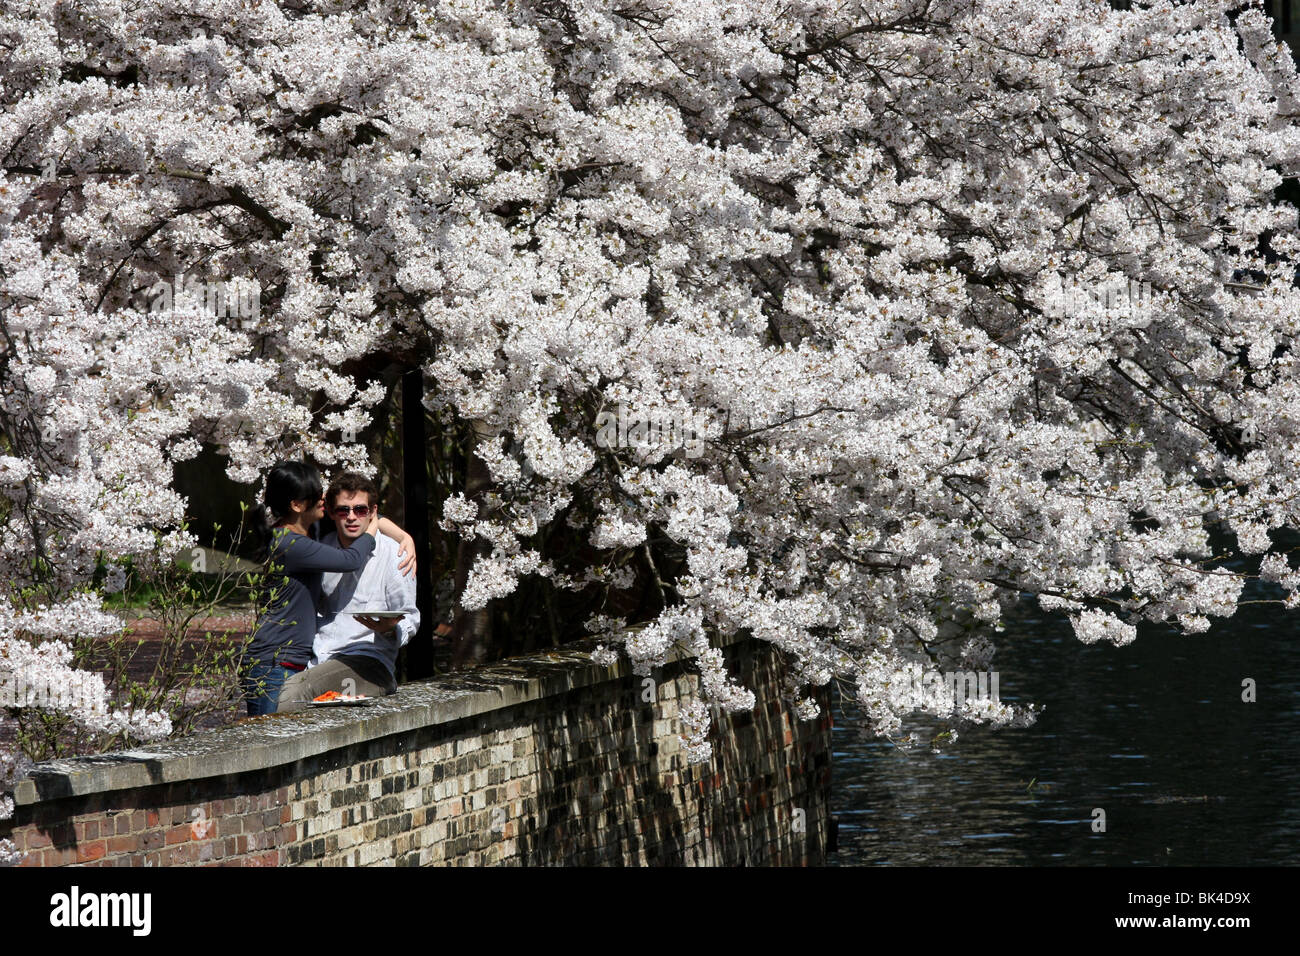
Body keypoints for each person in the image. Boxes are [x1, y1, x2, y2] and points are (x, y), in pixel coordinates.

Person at [243, 461, 414, 715]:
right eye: (317, 495)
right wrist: (374, 528)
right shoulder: (295, 544)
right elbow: (350, 560)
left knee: (285, 710)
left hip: (324, 659)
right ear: (298, 505)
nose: (351, 516)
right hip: (277, 659)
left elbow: (409, 616)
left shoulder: (310, 531)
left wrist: (402, 536)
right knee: (269, 730)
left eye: (361, 510)